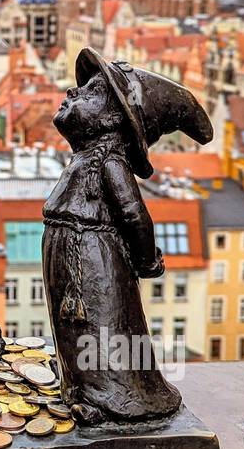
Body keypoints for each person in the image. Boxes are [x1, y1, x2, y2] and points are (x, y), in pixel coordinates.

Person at [43, 49, 213, 424]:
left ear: (112, 119)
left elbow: (135, 215)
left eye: (89, 94)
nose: (72, 93)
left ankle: (114, 397)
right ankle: (79, 386)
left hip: (94, 255)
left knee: (102, 324)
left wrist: (146, 260)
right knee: (76, 325)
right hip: (72, 249)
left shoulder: (110, 161)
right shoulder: (87, 158)